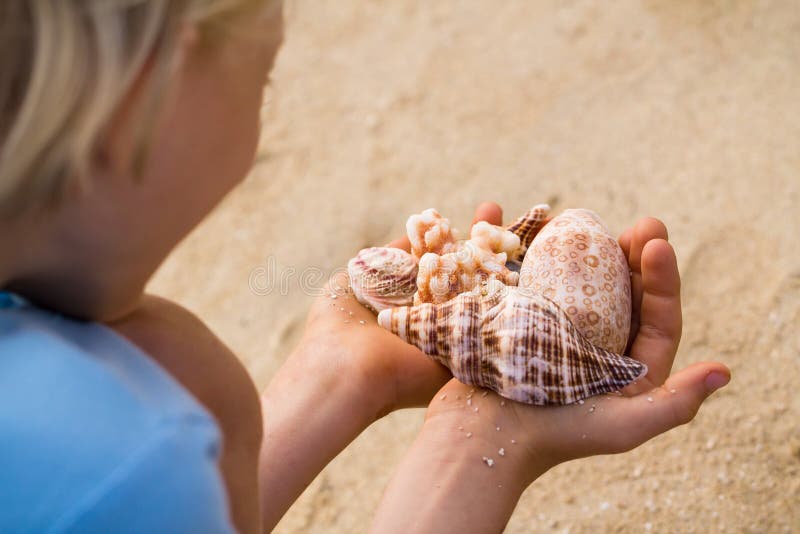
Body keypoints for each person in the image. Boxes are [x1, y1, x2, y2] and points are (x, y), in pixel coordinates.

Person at [0, 1, 730, 532]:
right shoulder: (128, 469)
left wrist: (340, 372)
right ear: (142, 106)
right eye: (265, 81)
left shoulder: (127, 390)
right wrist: (490, 448)